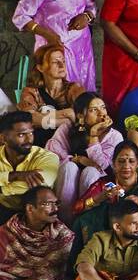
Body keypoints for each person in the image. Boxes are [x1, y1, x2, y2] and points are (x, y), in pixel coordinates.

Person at [70, 140, 138, 255]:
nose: (126, 166)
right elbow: (76, 208)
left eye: (131, 161)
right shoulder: (104, 184)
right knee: (86, 218)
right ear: (113, 164)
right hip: (110, 233)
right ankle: (97, 259)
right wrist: (100, 197)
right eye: (121, 161)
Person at [47, 92, 123, 220]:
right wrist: (79, 160)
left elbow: (105, 167)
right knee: (69, 167)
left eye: (103, 107)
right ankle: (64, 221)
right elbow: (51, 155)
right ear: (81, 116)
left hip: (101, 186)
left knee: (90, 171)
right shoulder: (67, 129)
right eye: (94, 110)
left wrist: (93, 136)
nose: (101, 113)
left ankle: (85, 221)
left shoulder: (114, 136)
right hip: (66, 180)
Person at [19, 45, 84, 146]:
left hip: (68, 144)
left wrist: (41, 119)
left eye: (63, 61)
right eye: (55, 62)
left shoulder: (74, 88)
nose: (61, 65)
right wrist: (66, 119)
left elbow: (82, 116)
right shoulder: (31, 91)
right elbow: (29, 119)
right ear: (40, 68)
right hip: (39, 146)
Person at [0, 111, 59, 218]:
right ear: (3, 138)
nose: (29, 139)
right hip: (4, 208)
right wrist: (14, 175)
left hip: (36, 213)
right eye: (21, 134)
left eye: (31, 133)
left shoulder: (47, 157)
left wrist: (2, 188)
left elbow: (41, 185)